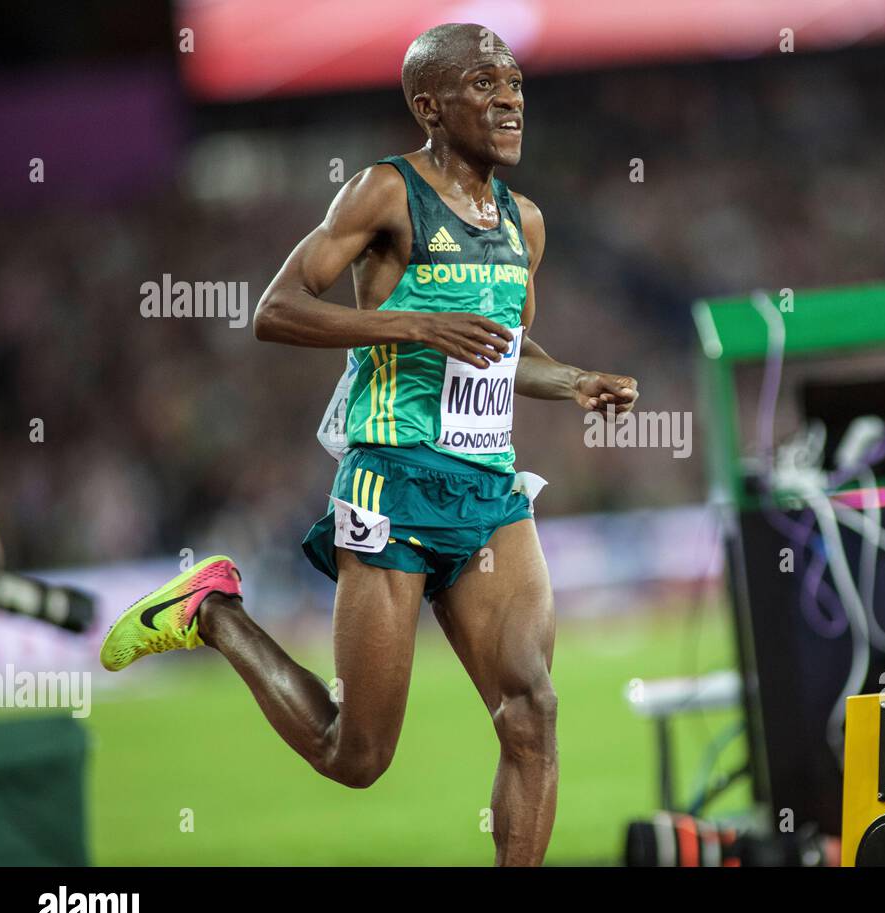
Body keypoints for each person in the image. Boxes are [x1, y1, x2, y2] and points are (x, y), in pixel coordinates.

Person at [100, 22, 639, 867]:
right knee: (358, 756)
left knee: (532, 710)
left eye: (515, 85)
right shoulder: (384, 193)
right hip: (393, 479)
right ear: (429, 105)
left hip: (490, 491)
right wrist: (411, 322)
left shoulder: (524, 222)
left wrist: (572, 380)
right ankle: (212, 612)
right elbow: (274, 310)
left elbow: (498, 345)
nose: (509, 100)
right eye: (484, 85)